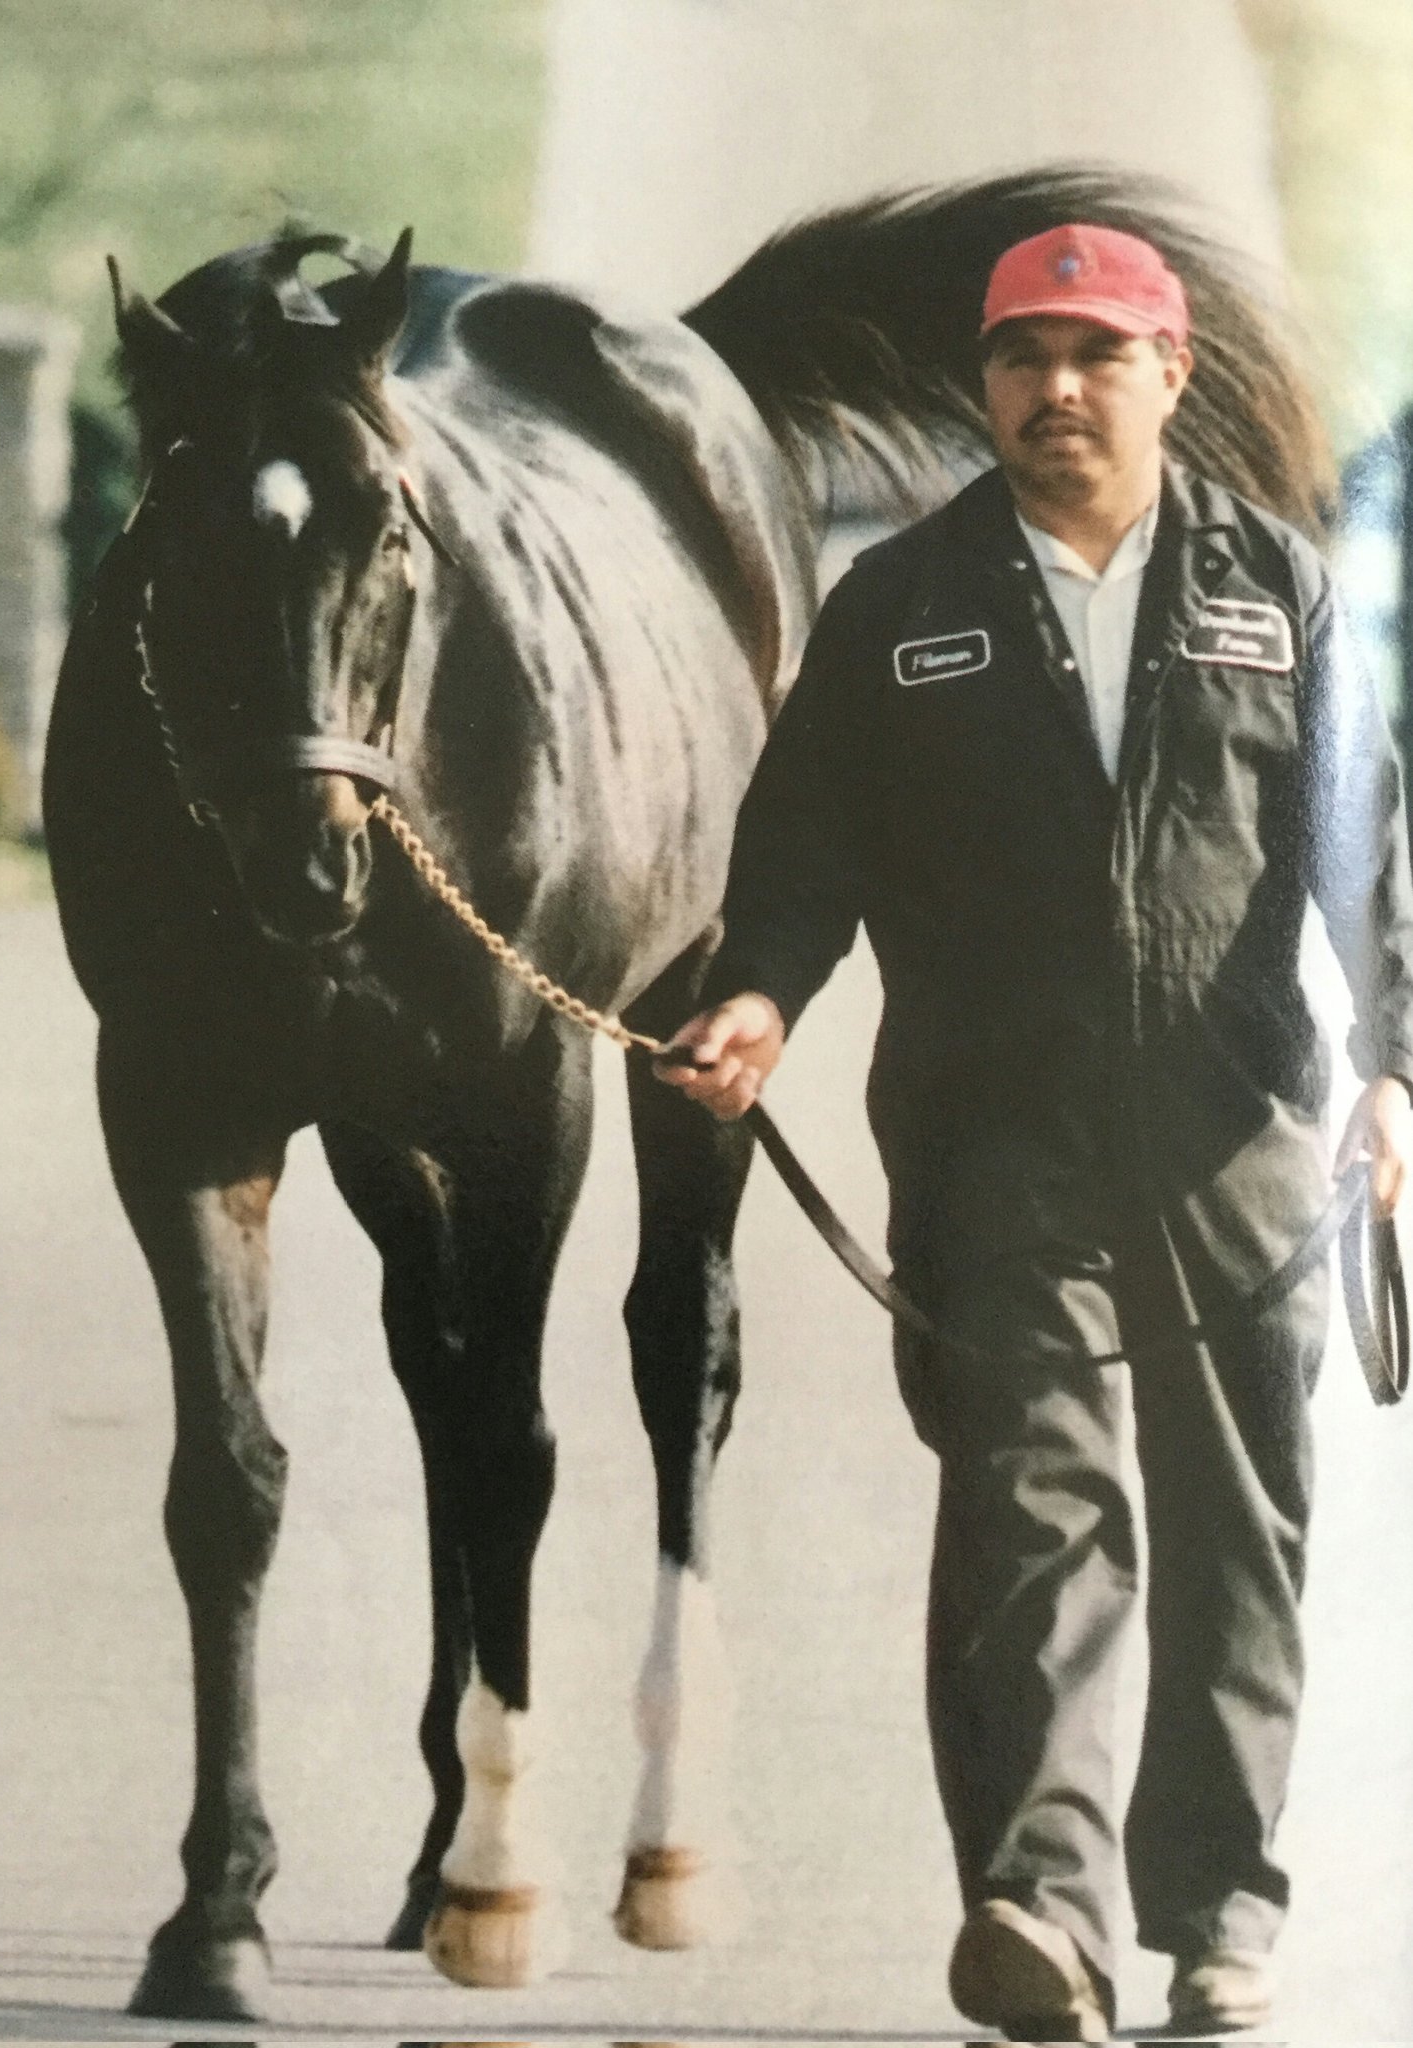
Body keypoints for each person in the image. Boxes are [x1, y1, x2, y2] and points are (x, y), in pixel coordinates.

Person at [656, 223, 1413, 2042]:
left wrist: (1392, 1062)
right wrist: (758, 993)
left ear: (1167, 377)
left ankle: (1218, 1911)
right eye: (1020, 358)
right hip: (992, 1138)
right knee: (1028, 1509)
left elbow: (1360, 855)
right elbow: (802, 852)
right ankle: (1039, 1909)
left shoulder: (1276, 591)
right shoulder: (900, 603)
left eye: (1094, 354)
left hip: (1231, 1135)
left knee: (1239, 1536)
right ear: (982, 385)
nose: (1053, 389)